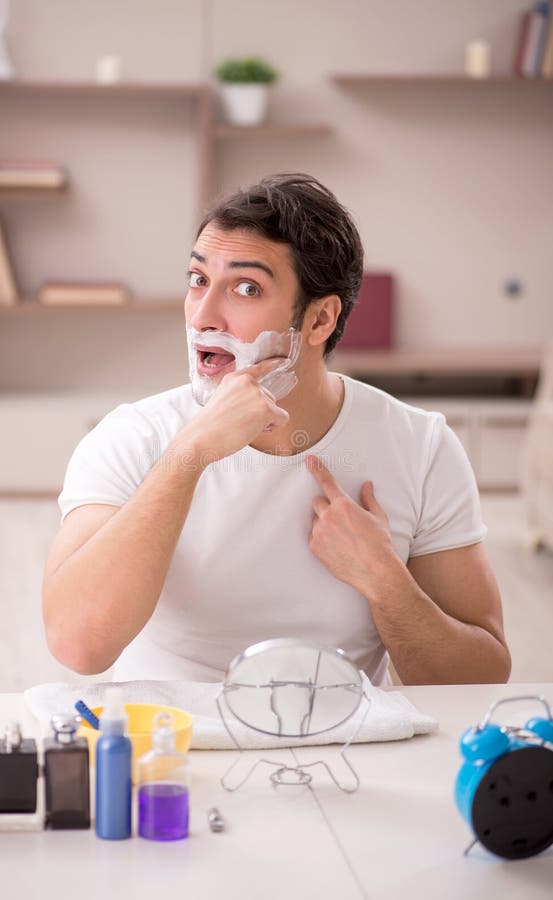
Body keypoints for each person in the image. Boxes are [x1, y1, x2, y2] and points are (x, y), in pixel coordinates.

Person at [43, 173, 511, 686]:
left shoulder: (420, 448)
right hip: (171, 734)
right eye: (198, 280)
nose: (203, 316)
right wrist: (190, 453)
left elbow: (479, 680)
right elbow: (78, 646)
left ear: (319, 320)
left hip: (341, 735)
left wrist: (385, 581)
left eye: (246, 288)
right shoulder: (132, 438)